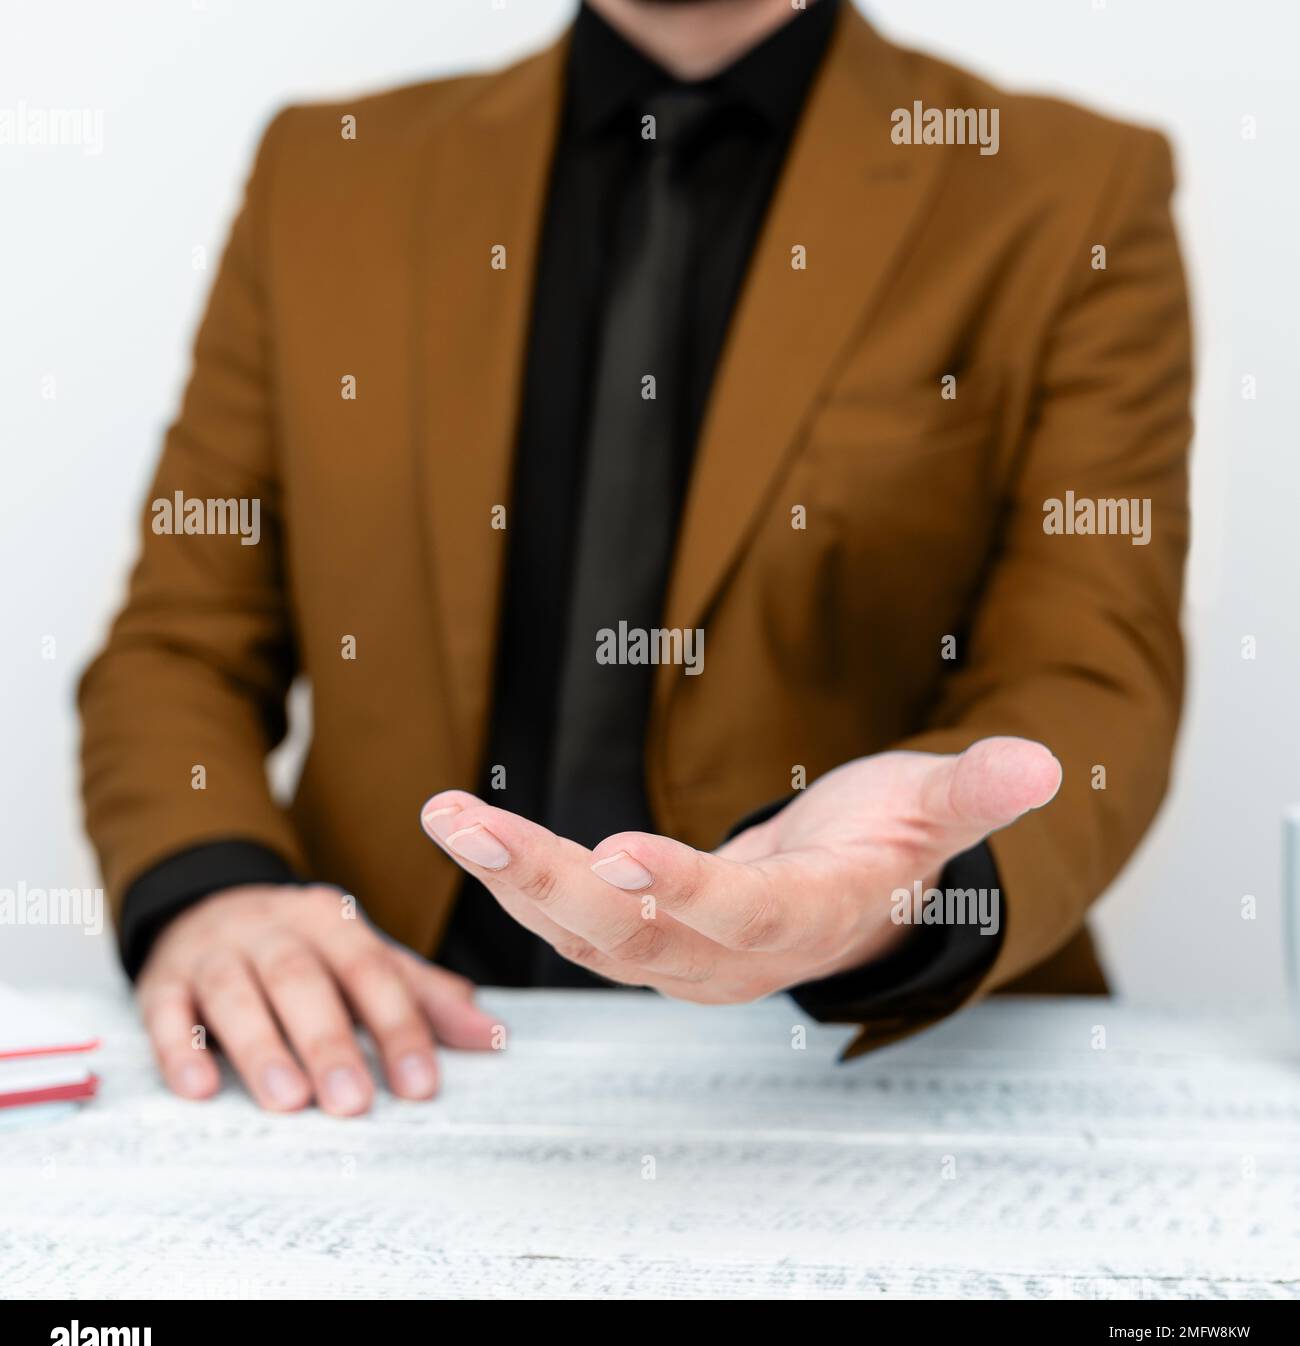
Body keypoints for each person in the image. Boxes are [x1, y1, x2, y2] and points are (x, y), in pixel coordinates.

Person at [79, 0, 1192, 1116]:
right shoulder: (327, 173)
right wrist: (213, 886)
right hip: (395, 1045)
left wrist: (904, 887)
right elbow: (181, 638)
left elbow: (1091, 665)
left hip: (860, 1053)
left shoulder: (1069, 187)